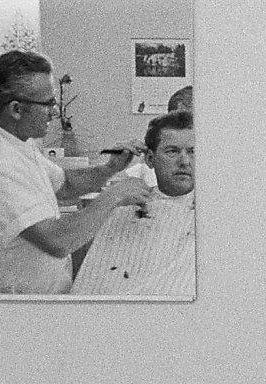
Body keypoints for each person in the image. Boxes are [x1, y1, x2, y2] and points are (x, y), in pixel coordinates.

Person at [0, 50, 150, 294]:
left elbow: (65, 185)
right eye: (48, 103)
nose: (54, 111)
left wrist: (110, 169)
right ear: (16, 109)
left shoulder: (17, 145)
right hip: (18, 308)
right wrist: (113, 196)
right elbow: (57, 241)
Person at [72, 112, 196, 297]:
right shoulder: (124, 209)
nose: (184, 161)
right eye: (172, 151)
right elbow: (93, 286)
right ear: (150, 159)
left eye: (193, 151)